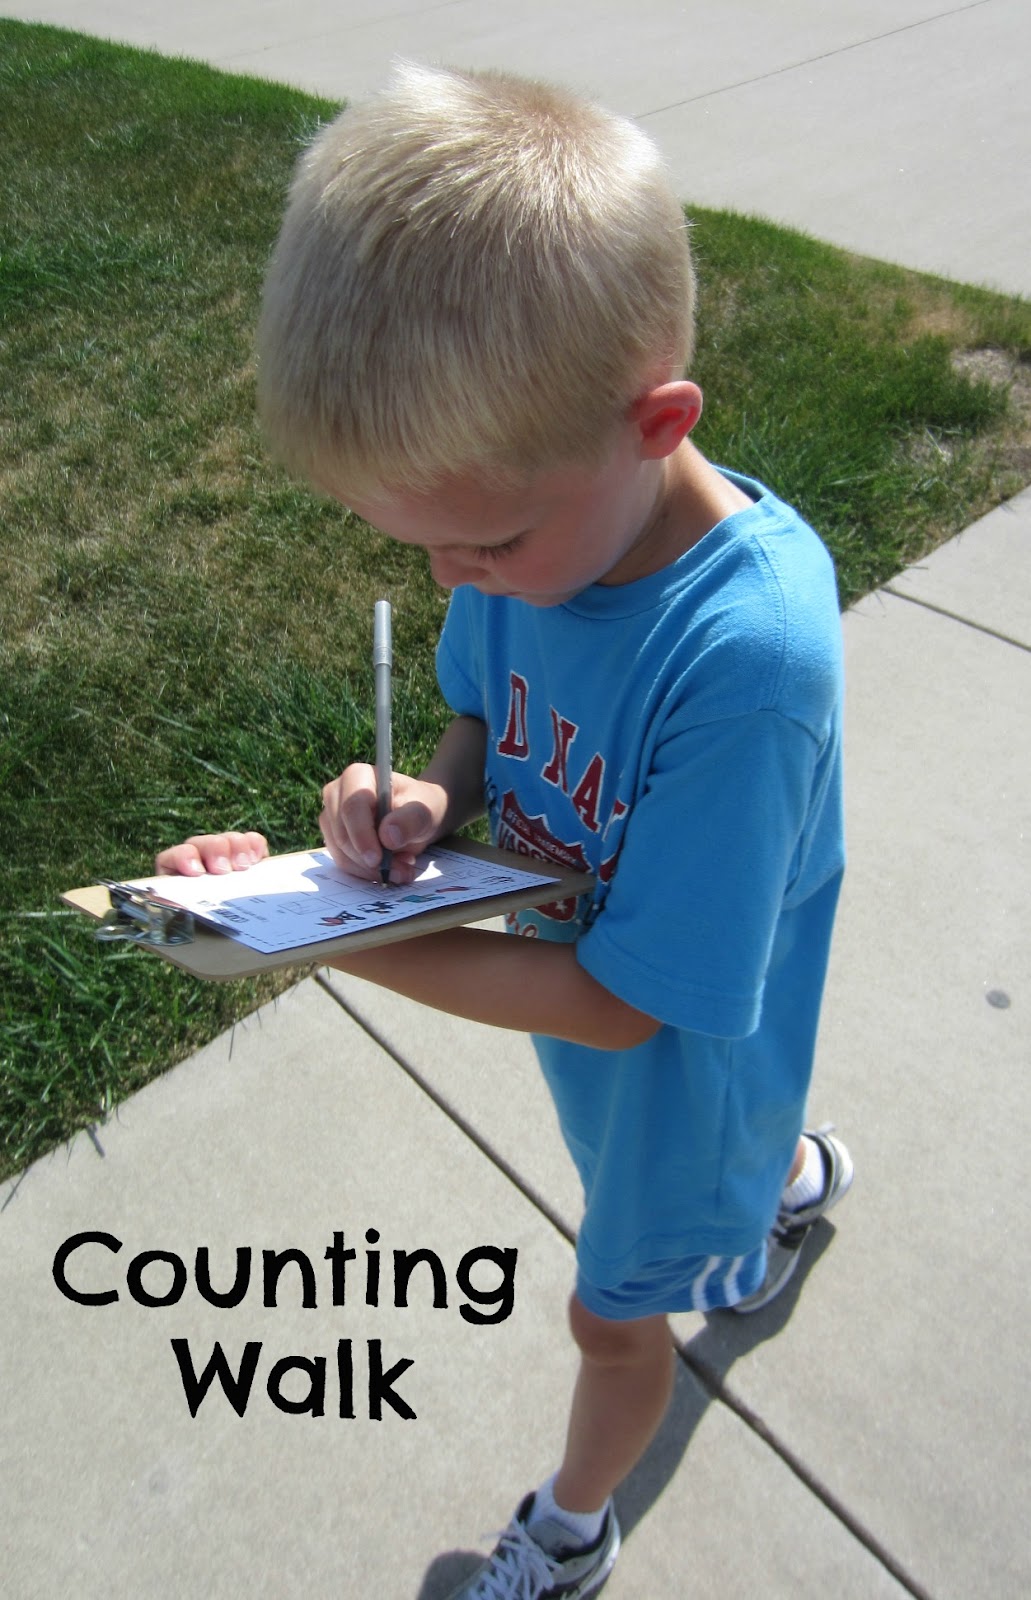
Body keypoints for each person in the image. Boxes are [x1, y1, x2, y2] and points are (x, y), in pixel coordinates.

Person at [156, 63, 852, 1600]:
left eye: (486, 538)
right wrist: (424, 800)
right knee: (705, 1175)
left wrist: (330, 940)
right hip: (602, 995)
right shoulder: (537, 541)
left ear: (654, 417)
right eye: (423, 547)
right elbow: (478, 721)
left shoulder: (747, 670)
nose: (462, 575)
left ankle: (573, 1527)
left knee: (616, 1314)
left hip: (669, 1056)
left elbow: (624, 1006)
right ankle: (788, 1178)